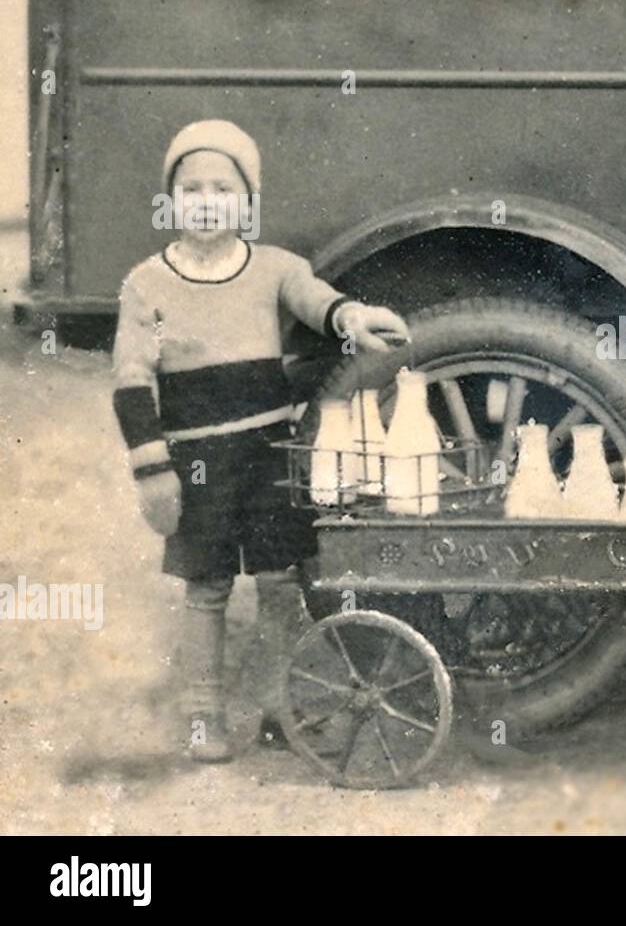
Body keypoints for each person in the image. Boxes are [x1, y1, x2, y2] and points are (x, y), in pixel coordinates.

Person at [111, 119, 410, 763]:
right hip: (196, 466)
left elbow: (317, 302)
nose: (207, 201)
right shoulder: (147, 286)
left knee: (280, 584)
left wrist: (354, 318)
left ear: (247, 201)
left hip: (270, 456)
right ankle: (202, 714)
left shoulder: (274, 268)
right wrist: (152, 471)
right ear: (170, 202)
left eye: (224, 188)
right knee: (208, 589)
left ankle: (283, 705)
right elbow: (131, 382)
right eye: (191, 190)